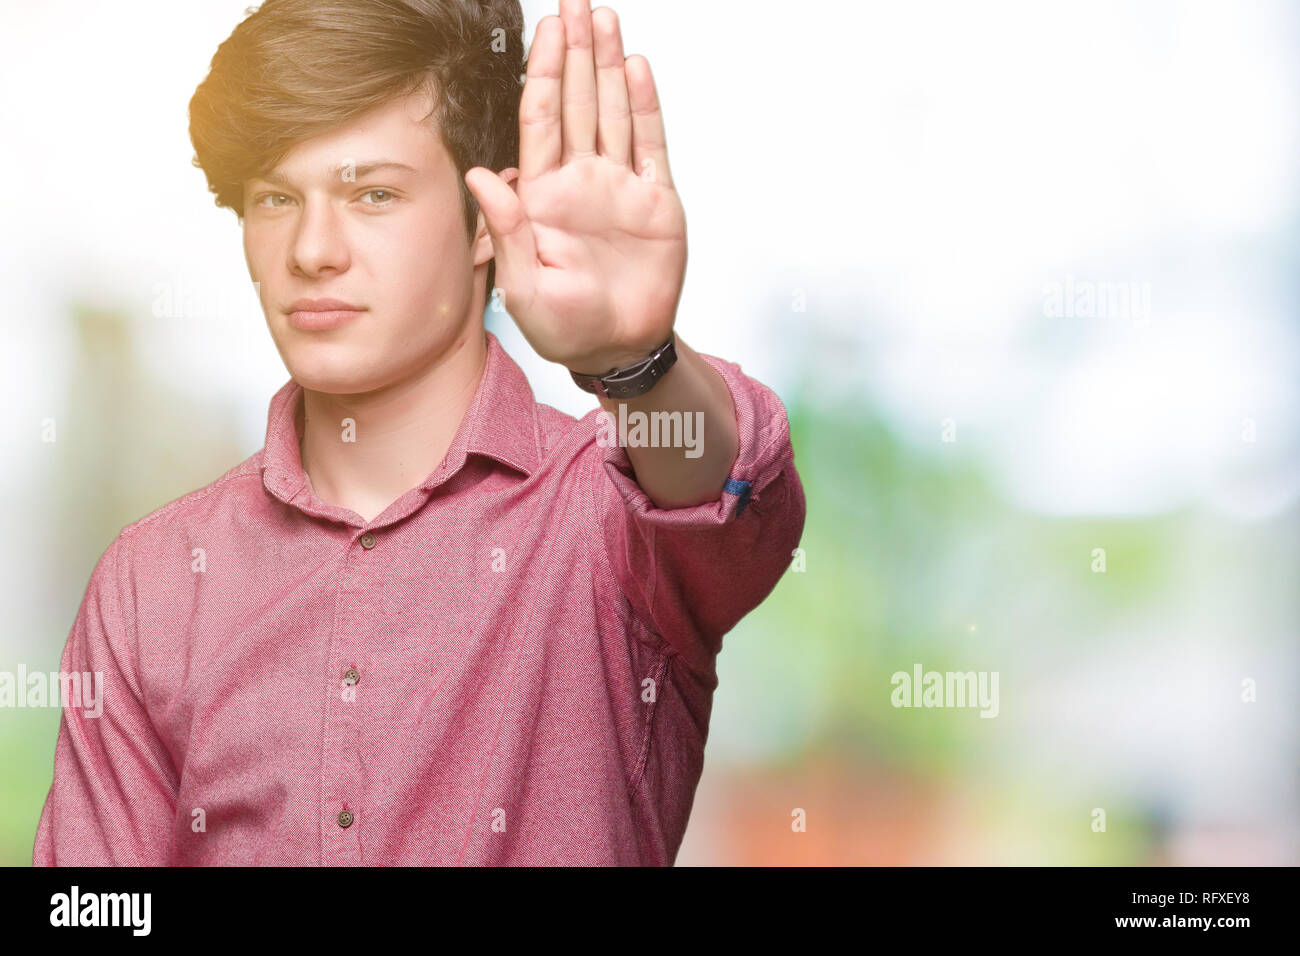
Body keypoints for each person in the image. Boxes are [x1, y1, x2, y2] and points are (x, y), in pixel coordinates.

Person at [33, 0, 805, 865]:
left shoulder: (601, 515)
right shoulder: (155, 582)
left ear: (488, 221)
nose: (313, 249)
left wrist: (639, 360)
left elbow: (729, 485)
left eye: (374, 194)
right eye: (277, 197)